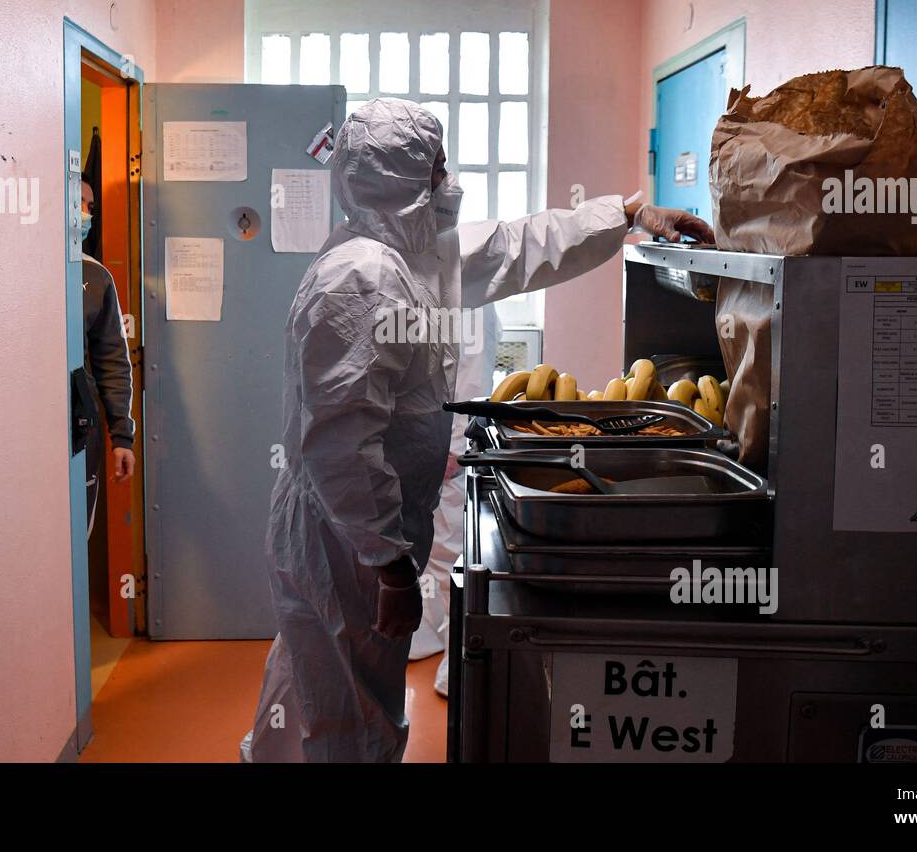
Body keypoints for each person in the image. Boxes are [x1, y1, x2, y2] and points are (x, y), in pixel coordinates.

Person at [242, 98, 712, 763]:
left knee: (310, 680)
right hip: (344, 533)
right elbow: (341, 446)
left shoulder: (407, 255)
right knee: (351, 714)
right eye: (435, 167)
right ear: (401, 185)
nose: (448, 179)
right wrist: (388, 568)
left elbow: (521, 246)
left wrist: (629, 214)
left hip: (342, 524)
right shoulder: (364, 279)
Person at [406, 301, 497, 696]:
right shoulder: (428, 273)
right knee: (422, 540)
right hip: (422, 434)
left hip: (448, 443)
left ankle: (458, 646)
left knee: (450, 542)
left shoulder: (472, 291)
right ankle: (429, 627)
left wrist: (455, 445)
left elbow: (472, 377)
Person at [80, 182, 136, 535]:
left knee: (74, 531)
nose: (86, 212)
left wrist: (122, 437)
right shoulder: (16, 269)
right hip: (23, 430)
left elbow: (112, 361)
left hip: (78, 432)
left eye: (90, 205)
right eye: (78, 202)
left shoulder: (95, 276)